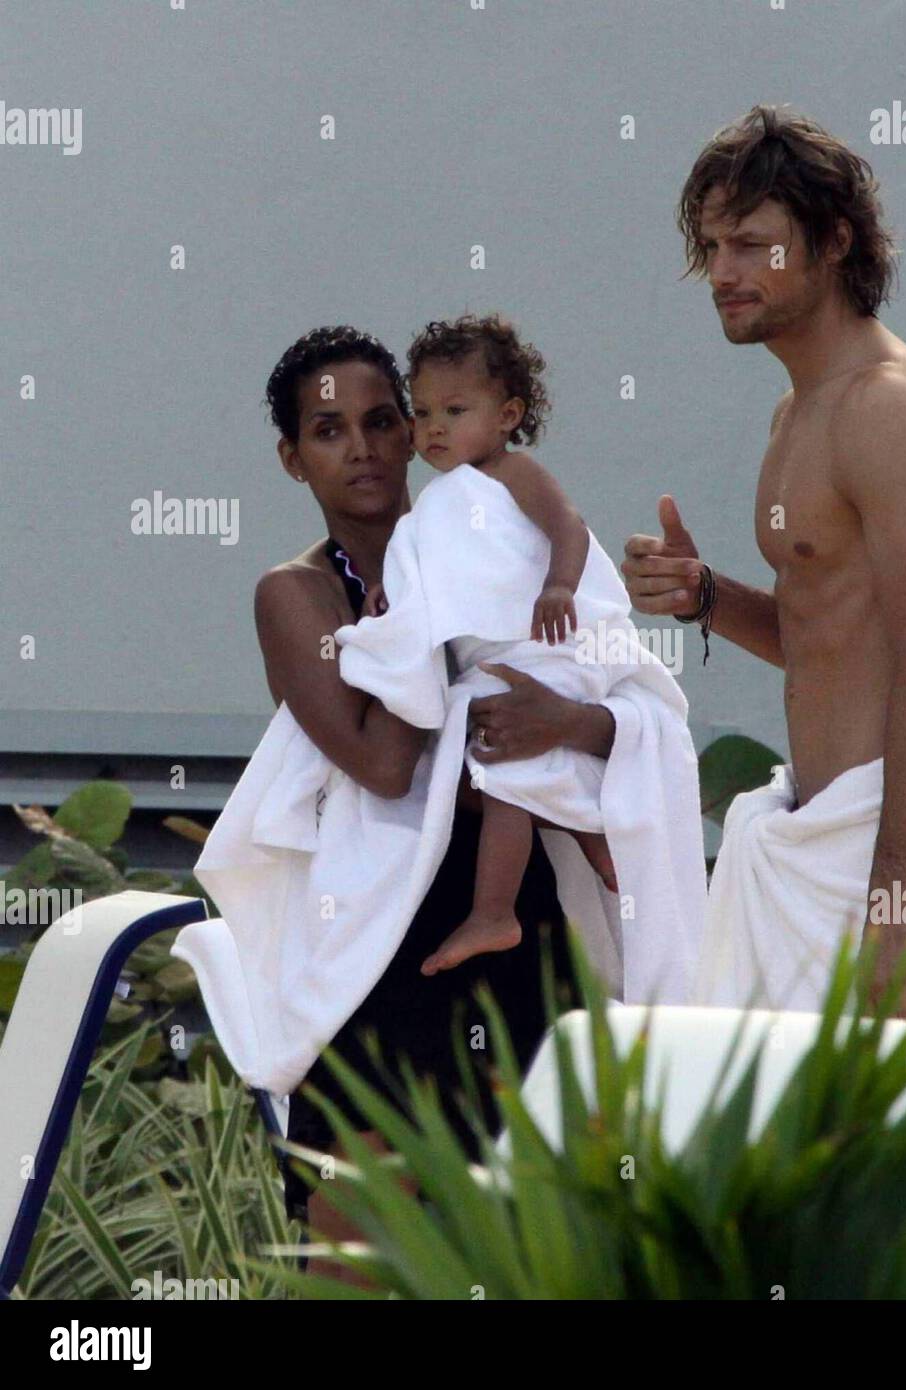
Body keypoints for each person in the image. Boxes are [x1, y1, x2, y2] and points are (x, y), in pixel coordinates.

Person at [621, 104, 906, 1026]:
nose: (722, 272)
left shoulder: (893, 407)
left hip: (904, 861)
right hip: (816, 838)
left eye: (751, 245)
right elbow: (827, 636)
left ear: (835, 239)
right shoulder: (797, 412)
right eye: (711, 246)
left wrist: (894, 903)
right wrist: (707, 597)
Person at [256, 325, 619, 1285]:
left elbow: (597, 710)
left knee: (542, 1250)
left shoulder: (492, 542)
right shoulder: (296, 594)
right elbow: (380, 765)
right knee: (353, 1255)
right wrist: (427, 626)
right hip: (378, 943)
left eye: (384, 420)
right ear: (293, 459)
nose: (367, 446)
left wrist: (563, 719)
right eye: (329, 430)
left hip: (511, 916)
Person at [358, 313, 629, 977]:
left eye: (455, 410)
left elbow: (568, 528)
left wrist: (561, 587)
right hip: (496, 659)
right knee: (499, 755)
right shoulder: (437, 503)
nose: (434, 429)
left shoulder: (514, 472)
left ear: (507, 414)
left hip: (551, 642)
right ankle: (593, 839)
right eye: (421, 413)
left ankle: (494, 912)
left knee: (503, 766)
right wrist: (390, 603)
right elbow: (429, 576)